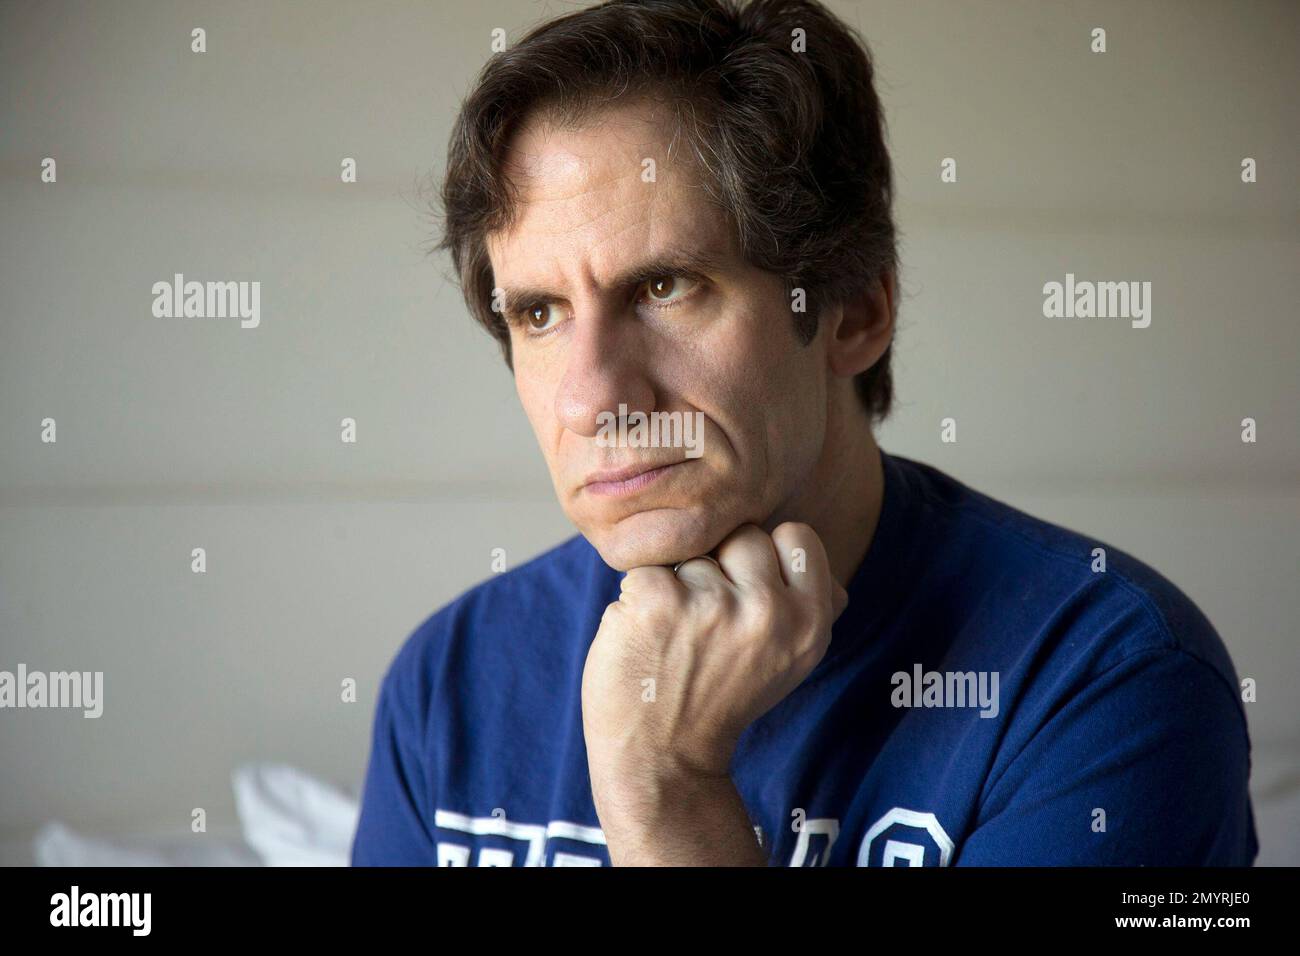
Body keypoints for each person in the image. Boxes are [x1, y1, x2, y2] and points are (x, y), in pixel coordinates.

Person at [352, 0, 1258, 866]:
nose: (592, 400)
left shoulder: (1108, 681)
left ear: (854, 311)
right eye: (540, 313)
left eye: (664, 288)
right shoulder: (451, 683)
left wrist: (666, 795)